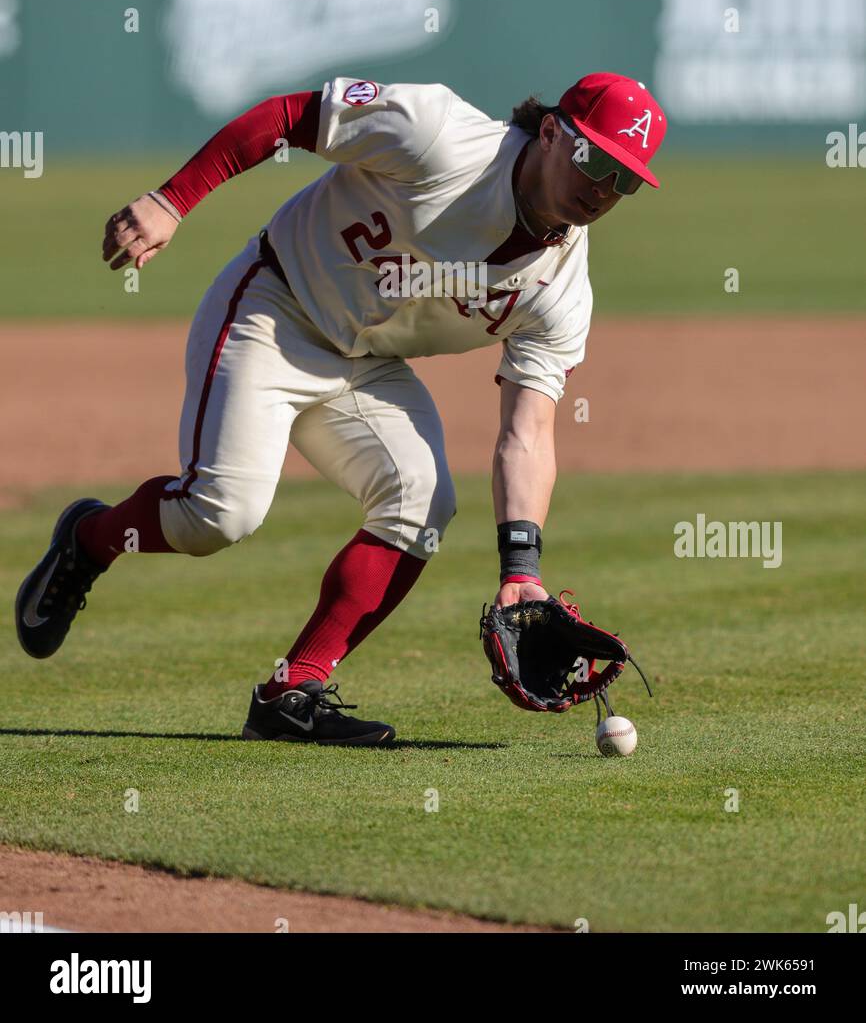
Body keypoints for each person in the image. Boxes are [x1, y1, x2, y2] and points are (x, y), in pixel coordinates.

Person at [15, 71, 666, 746]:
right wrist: (171, 200)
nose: (602, 189)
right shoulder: (440, 133)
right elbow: (292, 115)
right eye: (595, 160)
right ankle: (88, 540)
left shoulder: (562, 293)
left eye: (624, 180)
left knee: (422, 501)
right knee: (220, 516)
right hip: (276, 306)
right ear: (554, 131)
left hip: (367, 363)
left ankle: (291, 692)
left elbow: (527, 432)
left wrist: (522, 573)